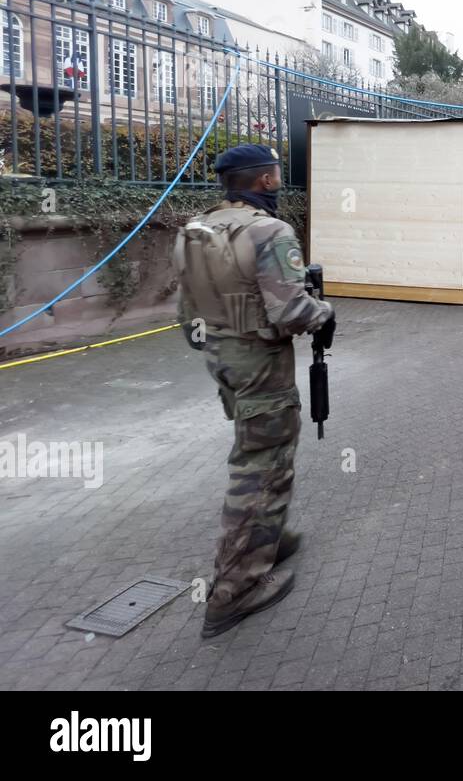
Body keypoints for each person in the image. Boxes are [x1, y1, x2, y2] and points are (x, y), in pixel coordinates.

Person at [174, 143, 334, 639]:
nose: (279, 180)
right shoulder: (269, 230)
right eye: (276, 174)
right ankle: (235, 590)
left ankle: (268, 536)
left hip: (222, 358)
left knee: (254, 446)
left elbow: (186, 313)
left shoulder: (195, 229)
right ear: (264, 181)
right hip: (260, 362)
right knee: (262, 466)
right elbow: (291, 312)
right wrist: (325, 313)